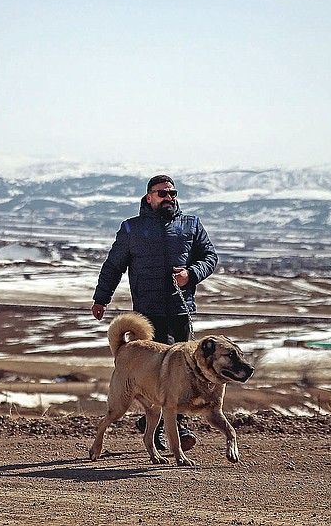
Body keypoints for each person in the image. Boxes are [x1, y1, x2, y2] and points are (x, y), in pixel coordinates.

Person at [91, 174, 218, 452]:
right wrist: (101, 299)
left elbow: (209, 257)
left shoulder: (191, 225)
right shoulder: (131, 229)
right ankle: (158, 429)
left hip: (180, 310)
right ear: (149, 197)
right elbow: (113, 266)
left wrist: (191, 274)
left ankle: (178, 426)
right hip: (147, 315)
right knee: (156, 374)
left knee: (185, 371)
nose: (169, 198)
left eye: (173, 193)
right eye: (162, 194)